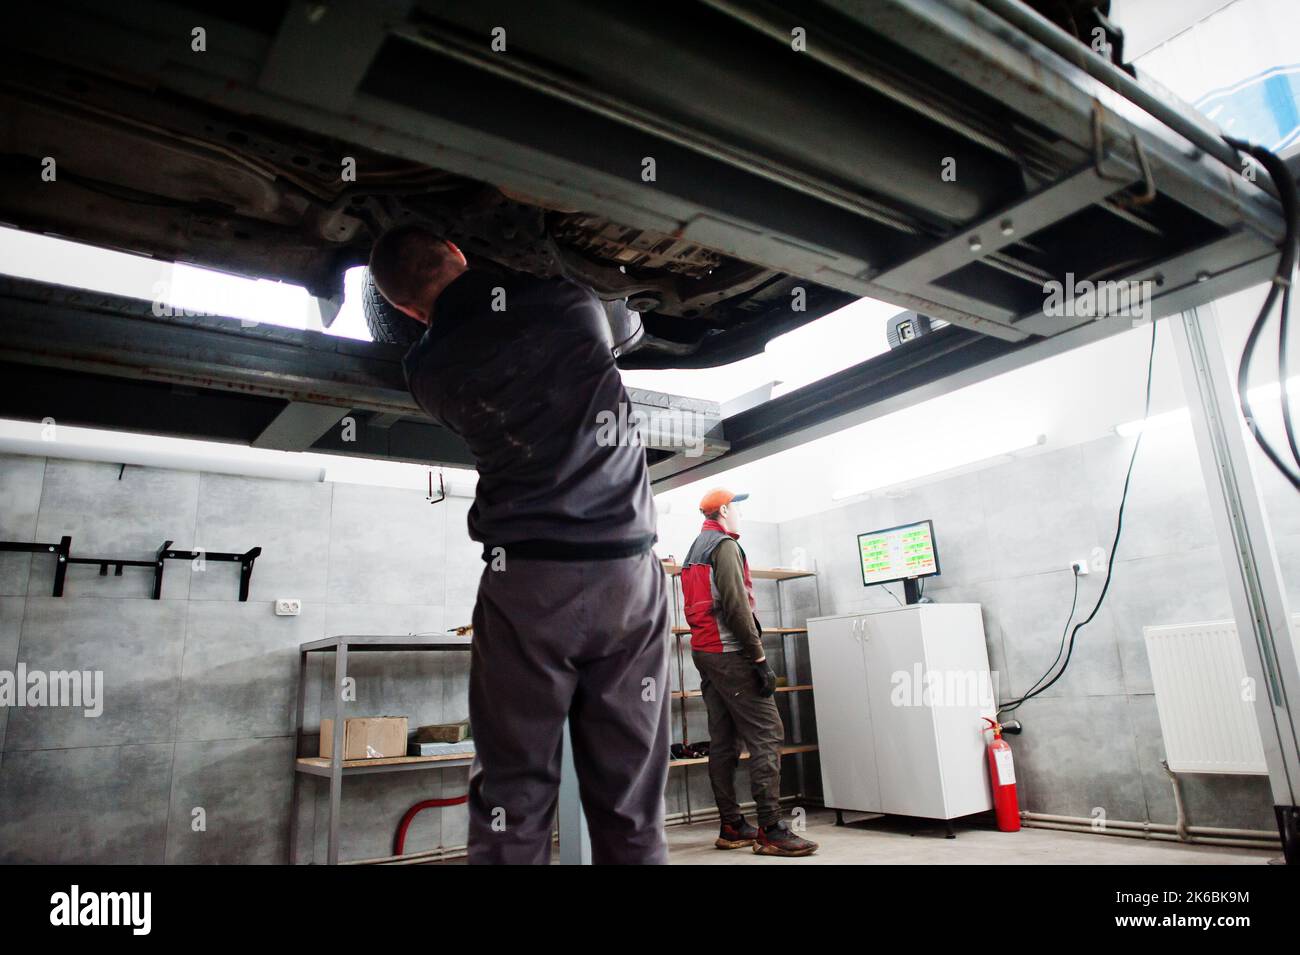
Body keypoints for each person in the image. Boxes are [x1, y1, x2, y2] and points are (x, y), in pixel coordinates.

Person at [368, 223, 670, 864]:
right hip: (629, 576)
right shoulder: (569, 301)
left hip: (528, 583)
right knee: (631, 797)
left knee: (513, 792)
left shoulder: (426, 370)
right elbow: (617, 326)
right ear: (456, 249)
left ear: (400, 309)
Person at [681, 488, 818, 857]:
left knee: (723, 740)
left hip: (705, 652)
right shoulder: (723, 546)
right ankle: (771, 829)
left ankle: (731, 825)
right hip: (730, 652)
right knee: (768, 733)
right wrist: (758, 659)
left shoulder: (695, 548)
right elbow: (736, 607)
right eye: (737, 507)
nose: (740, 513)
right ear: (725, 510)